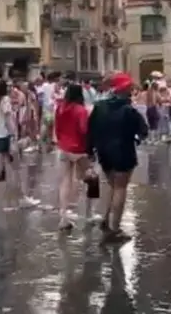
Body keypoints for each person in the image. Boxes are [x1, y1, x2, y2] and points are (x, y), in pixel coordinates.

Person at [87, 72, 148, 243]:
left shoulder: (99, 107)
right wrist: (136, 138)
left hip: (104, 152)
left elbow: (90, 131)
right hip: (123, 152)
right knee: (120, 189)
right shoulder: (129, 110)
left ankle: (106, 220)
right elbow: (143, 131)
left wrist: (90, 152)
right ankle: (114, 228)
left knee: (112, 186)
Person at [0, 80, 40, 213]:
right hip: (6, 137)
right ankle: (22, 198)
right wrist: (14, 136)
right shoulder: (5, 100)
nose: (12, 89)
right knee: (15, 167)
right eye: (10, 86)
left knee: (0, 168)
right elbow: (8, 120)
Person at [54, 83, 98, 230]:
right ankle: (90, 213)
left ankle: (63, 217)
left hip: (63, 148)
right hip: (78, 149)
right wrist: (89, 149)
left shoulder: (60, 108)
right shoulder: (81, 110)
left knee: (65, 181)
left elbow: (57, 128)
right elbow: (84, 130)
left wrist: (60, 141)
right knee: (93, 178)